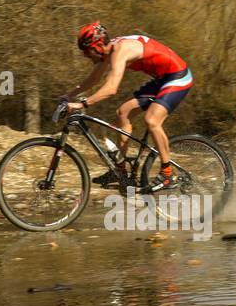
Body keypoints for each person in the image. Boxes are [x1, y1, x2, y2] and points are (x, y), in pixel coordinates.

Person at [58, 21, 193, 191]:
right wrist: (67, 95)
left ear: (99, 45)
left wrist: (82, 103)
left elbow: (111, 88)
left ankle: (167, 173)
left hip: (178, 76)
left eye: (87, 51)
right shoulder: (107, 52)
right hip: (162, 79)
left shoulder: (121, 50)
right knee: (123, 113)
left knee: (152, 120)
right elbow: (93, 79)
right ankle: (121, 172)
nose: (86, 56)